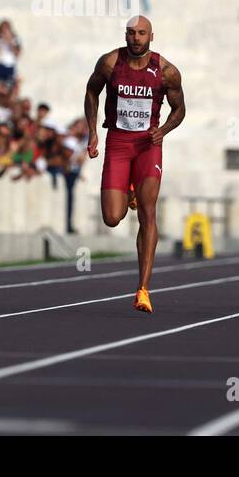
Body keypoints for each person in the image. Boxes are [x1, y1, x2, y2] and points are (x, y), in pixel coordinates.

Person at [83, 15, 186, 313]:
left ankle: (143, 289)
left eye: (141, 33)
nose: (136, 38)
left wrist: (163, 130)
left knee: (148, 212)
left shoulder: (166, 71)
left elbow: (180, 109)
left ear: (151, 36)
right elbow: (92, 91)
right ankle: (129, 187)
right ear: (125, 35)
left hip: (148, 146)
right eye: (131, 33)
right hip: (117, 143)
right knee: (112, 218)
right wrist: (92, 132)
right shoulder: (109, 63)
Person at [0, 19, 20, 87]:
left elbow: (18, 53)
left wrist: (10, 42)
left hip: (9, 66)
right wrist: (2, 41)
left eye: (6, 29)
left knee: (9, 88)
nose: (5, 31)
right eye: (3, 29)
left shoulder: (15, 39)